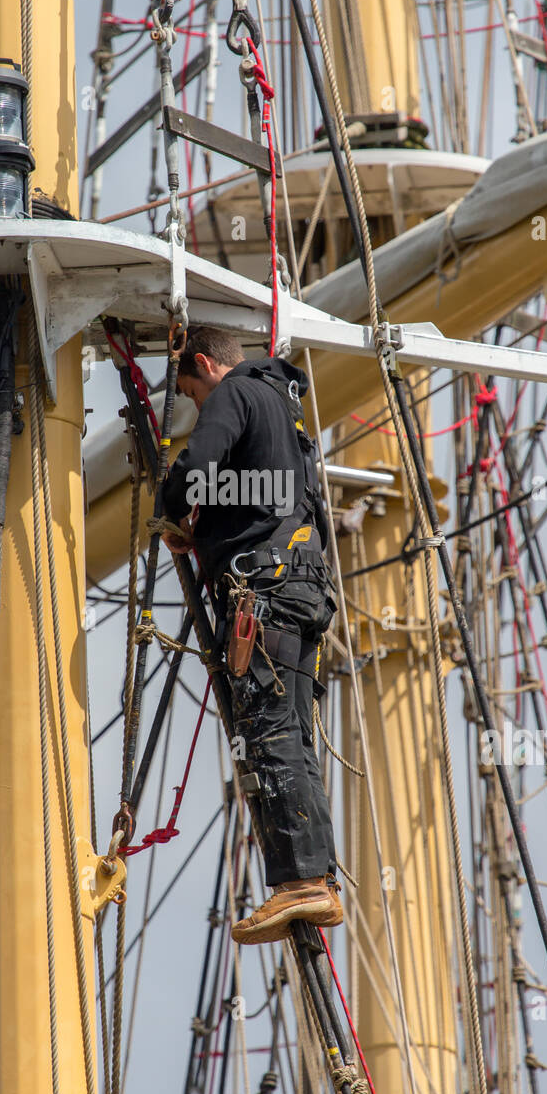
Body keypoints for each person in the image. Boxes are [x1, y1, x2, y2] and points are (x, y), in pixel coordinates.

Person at [161, 326, 343, 944]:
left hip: (261, 597)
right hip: (303, 592)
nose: (197, 404)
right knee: (292, 733)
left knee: (267, 730)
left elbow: (199, 466)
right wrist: (208, 529)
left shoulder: (235, 394)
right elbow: (269, 501)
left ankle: (300, 883)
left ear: (208, 365)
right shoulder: (284, 411)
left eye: (192, 391)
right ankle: (317, 875)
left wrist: (172, 502)